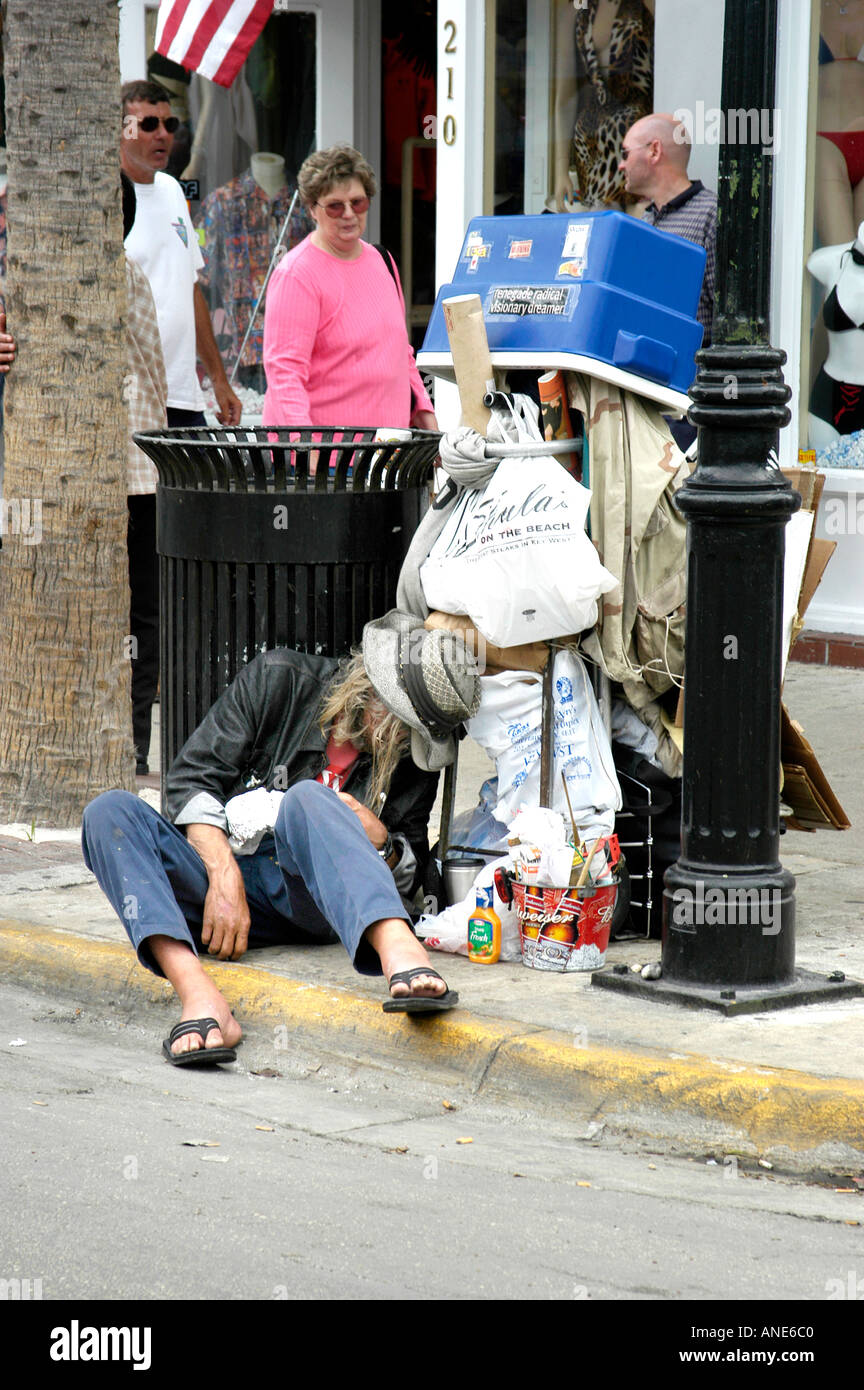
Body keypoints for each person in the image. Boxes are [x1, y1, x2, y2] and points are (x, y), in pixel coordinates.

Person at [81, 612, 480, 1065]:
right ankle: (200, 999)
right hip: (218, 896)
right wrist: (222, 872)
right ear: (370, 686)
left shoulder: (410, 759)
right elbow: (189, 780)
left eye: (417, 736)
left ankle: (400, 951)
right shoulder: (280, 680)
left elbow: (414, 882)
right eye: (401, 725)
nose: (406, 742)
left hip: (306, 901)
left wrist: (383, 844)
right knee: (107, 813)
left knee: (307, 798)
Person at [262, 144, 436, 429]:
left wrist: (425, 415)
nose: (348, 213)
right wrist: (306, 453)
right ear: (312, 209)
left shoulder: (382, 260)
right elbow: (285, 375)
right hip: (327, 462)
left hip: (385, 455)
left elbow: (399, 353)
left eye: (358, 202)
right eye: (334, 206)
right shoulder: (296, 275)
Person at [119, 79, 241, 430]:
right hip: (133, 396)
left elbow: (189, 289)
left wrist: (218, 379)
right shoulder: (108, 199)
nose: (162, 134)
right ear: (120, 131)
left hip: (183, 393)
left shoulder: (172, 190)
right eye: (147, 125)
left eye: (169, 124)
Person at [122, 172, 169, 777]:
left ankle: (132, 746)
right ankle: (131, 747)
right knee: (143, 616)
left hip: (130, 467)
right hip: (132, 465)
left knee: (142, 616)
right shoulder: (124, 271)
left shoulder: (119, 272)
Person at [619, 113, 717, 348]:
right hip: (645, 365)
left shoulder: (712, 214)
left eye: (625, 154)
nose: (621, 164)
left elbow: (729, 316)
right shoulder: (646, 218)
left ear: (654, 151)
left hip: (692, 372)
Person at [552, 0, 654, 212]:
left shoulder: (649, 5)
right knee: (603, 226)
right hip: (594, 141)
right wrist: (560, 169)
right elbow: (565, 97)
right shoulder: (575, 11)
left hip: (640, 134)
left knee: (640, 224)